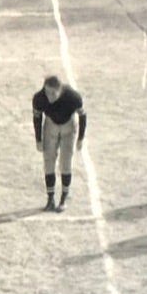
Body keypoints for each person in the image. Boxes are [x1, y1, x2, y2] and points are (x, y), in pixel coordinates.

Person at [32, 75, 86, 212]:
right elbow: (37, 117)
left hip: (68, 126)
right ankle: (50, 199)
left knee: (65, 162)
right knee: (48, 161)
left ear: (60, 90)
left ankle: (63, 198)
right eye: (47, 92)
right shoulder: (39, 98)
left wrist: (80, 138)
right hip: (50, 125)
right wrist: (38, 139)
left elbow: (82, 116)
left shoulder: (73, 97)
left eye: (52, 93)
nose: (49, 96)